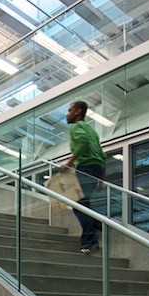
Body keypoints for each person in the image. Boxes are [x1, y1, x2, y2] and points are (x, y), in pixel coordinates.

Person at [63, 100, 105, 254]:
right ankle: (98, 224)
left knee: (78, 203)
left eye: (69, 110)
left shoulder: (76, 127)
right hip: (96, 168)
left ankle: (90, 241)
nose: (67, 114)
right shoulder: (91, 130)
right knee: (83, 202)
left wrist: (69, 163)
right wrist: (102, 177)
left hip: (86, 168)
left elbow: (83, 144)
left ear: (78, 111)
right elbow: (101, 154)